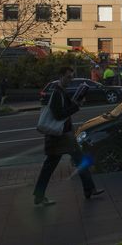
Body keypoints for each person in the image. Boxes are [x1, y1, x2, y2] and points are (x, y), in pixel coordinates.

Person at [33, 67, 104, 206]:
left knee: (66, 162)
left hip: (62, 135)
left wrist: (75, 103)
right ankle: (89, 189)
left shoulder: (60, 91)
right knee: (60, 164)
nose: (70, 80)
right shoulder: (57, 93)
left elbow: (63, 111)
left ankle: (89, 189)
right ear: (60, 76)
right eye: (67, 77)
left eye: (71, 77)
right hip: (61, 136)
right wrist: (76, 106)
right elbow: (59, 114)